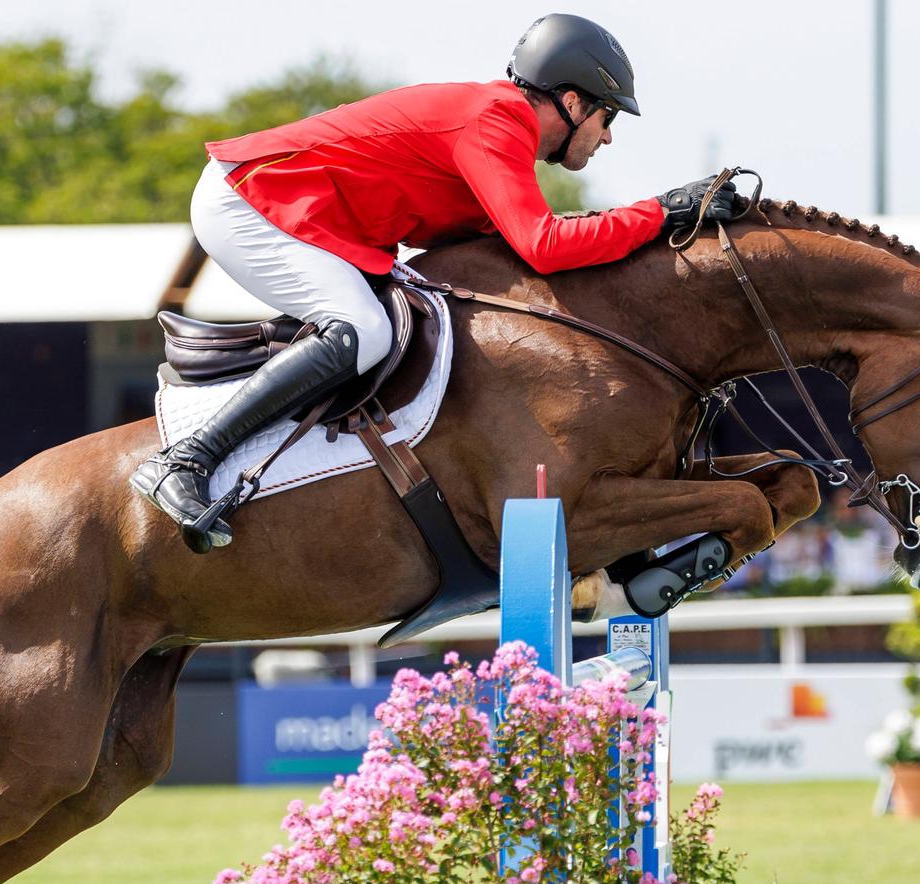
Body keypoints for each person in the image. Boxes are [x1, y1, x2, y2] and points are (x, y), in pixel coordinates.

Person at [129, 13, 748, 553]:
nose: (608, 135)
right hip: (248, 202)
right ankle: (185, 460)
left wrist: (654, 217)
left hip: (294, 211)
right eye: (607, 117)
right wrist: (662, 211)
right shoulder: (496, 119)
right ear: (572, 102)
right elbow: (545, 246)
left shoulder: (499, 130)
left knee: (389, 319)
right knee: (363, 331)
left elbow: (519, 247)